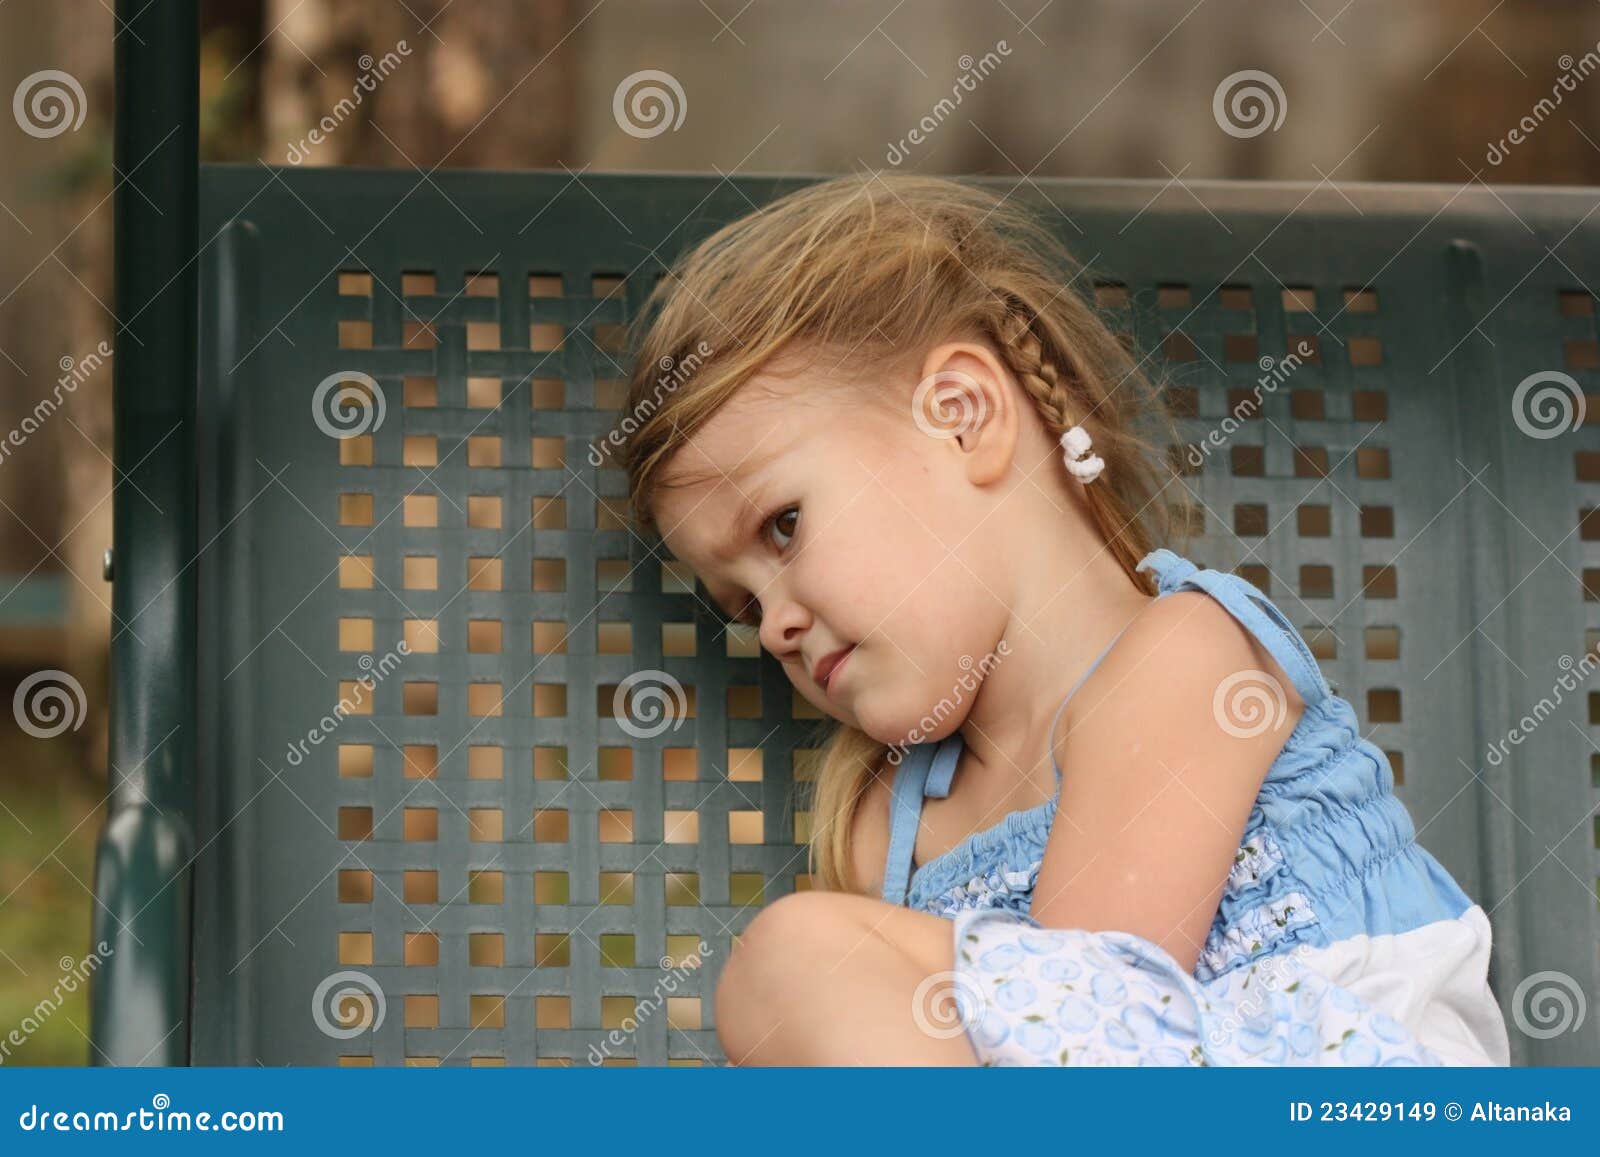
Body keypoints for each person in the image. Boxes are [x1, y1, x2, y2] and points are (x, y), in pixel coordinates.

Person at [607, 171, 1511, 1067]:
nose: (772, 630)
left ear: (961, 418)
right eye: (742, 604)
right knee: (790, 971)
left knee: (795, 960)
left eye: (784, 526)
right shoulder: (887, 828)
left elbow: (1091, 1044)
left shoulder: (1186, 663)